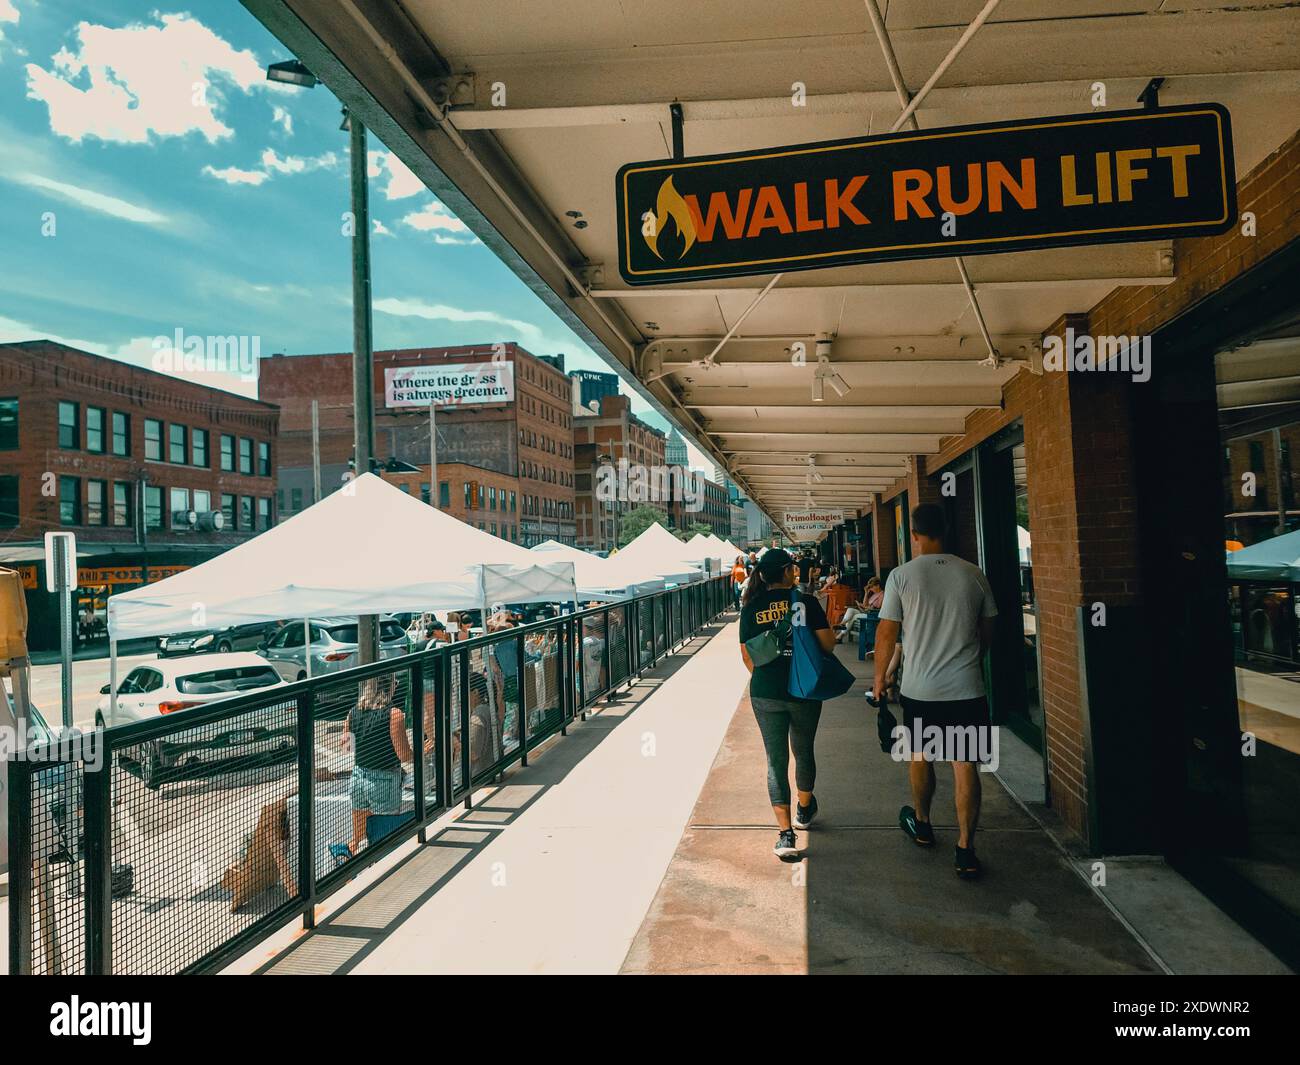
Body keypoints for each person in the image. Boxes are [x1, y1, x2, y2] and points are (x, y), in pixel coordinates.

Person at [872, 503, 997, 881]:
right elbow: (989, 628)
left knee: (921, 755)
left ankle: (923, 824)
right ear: (946, 530)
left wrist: (880, 680)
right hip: (966, 688)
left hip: (920, 690)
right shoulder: (973, 574)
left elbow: (887, 632)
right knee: (965, 766)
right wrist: (972, 659)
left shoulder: (902, 576)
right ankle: (965, 849)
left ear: (914, 534)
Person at [738, 547, 837, 861]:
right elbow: (828, 644)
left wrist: (770, 675)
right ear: (787, 572)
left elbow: (747, 656)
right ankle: (804, 810)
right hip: (804, 689)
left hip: (765, 691)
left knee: (775, 760)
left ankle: (785, 835)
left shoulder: (751, 606)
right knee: (804, 749)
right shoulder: (805, 602)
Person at [339, 674, 413, 859]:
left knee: (359, 837)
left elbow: (346, 747)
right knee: (384, 837)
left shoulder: (353, 711)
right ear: (390, 687)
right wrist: (421, 753)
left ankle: (350, 870)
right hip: (384, 781)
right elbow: (403, 755)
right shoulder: (394, 714)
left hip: (358, 777)